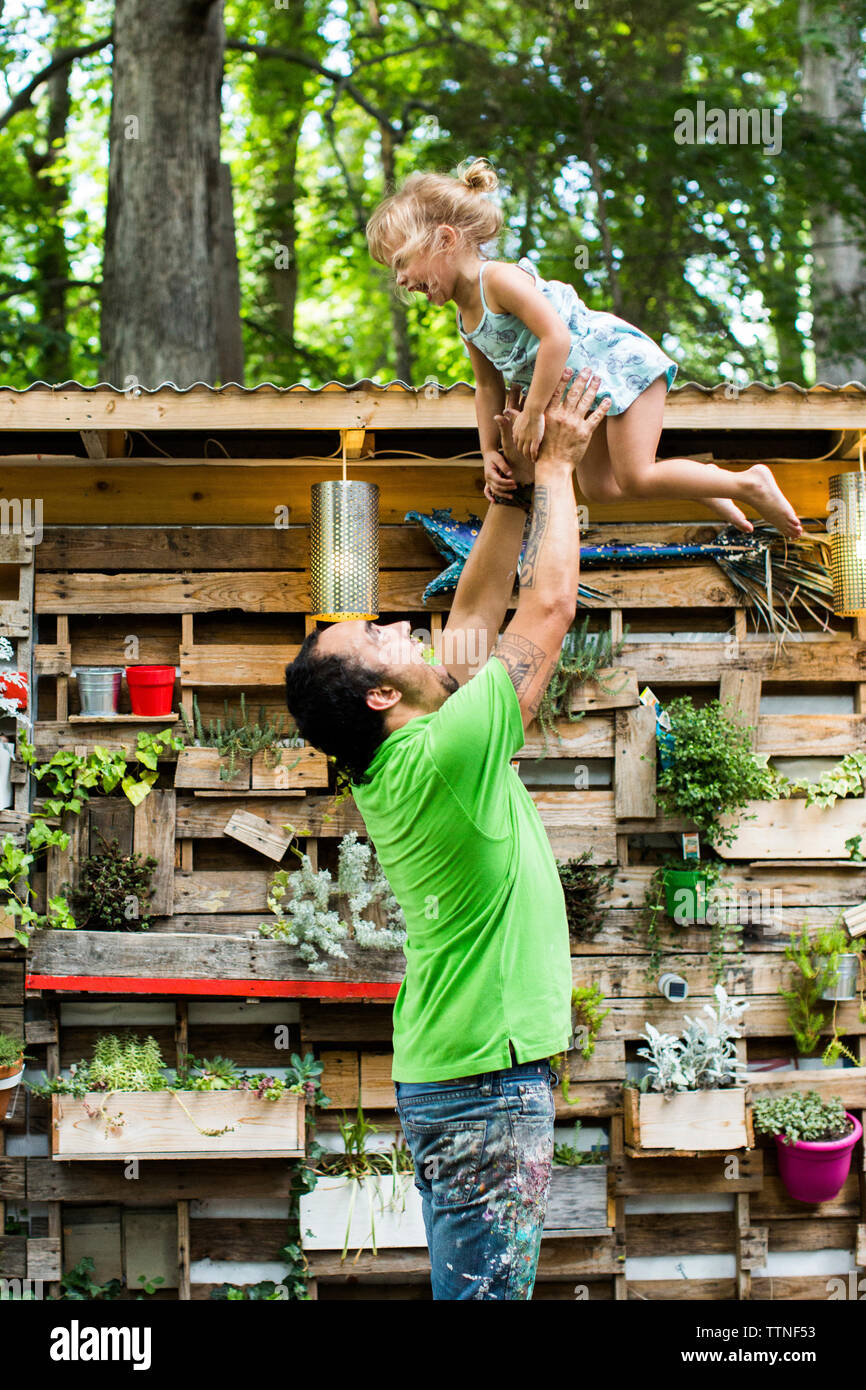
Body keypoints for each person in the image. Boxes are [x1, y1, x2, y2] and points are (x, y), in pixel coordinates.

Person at [285, 362, 609, 1299]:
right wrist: (556, 470)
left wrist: (503, 498)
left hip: (461, 1075)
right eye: (379, 637)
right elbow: (543, 612)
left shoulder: (420, 752)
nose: (397, 620)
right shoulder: (441, 760)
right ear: (384, 695)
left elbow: (472, 620)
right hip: (482, 1086)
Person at [366, 156, 802, 539]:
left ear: (444, 239)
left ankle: (750, 483)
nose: (401, 280)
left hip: (617, 364)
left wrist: (534, 413)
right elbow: (486, 386)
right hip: (585, 389)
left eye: (402, 261)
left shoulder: (497, 280)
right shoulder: (466, 317)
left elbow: (557, 337)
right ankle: (711, 486)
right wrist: (489, 453)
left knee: (634, 476)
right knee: (600, 489)